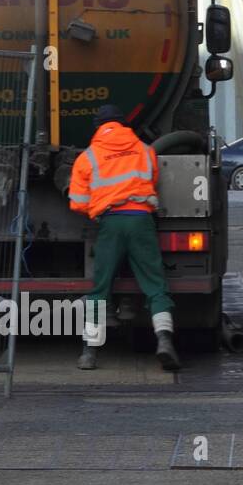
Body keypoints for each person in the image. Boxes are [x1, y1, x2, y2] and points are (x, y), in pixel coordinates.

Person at [68, 104, 180, 371]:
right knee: (155, 286)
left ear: (98, 128)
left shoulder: (88, 157)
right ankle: (164, 340)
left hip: (111, 222)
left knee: (100, 288)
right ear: (123, 124)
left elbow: (77, 202)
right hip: (141, 219)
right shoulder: (145, 150)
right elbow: (151, 181)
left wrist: (97, 207)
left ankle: (89, 352)